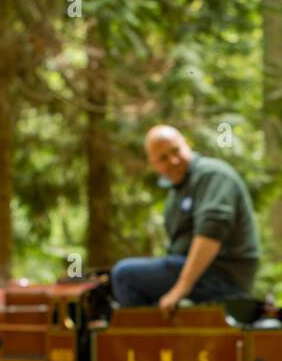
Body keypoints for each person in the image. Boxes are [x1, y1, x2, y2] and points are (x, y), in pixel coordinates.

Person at [109, 124, 260, 316]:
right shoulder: (176, 193)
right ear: (153, 164)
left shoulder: (212, 175)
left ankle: (145, 341)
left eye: (175, 150)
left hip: (223, 275)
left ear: (186, 144)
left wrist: (181, 287)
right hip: (202, 273)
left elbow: (210, 233)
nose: (173, 160)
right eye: (163, 158)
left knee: (124, 275)